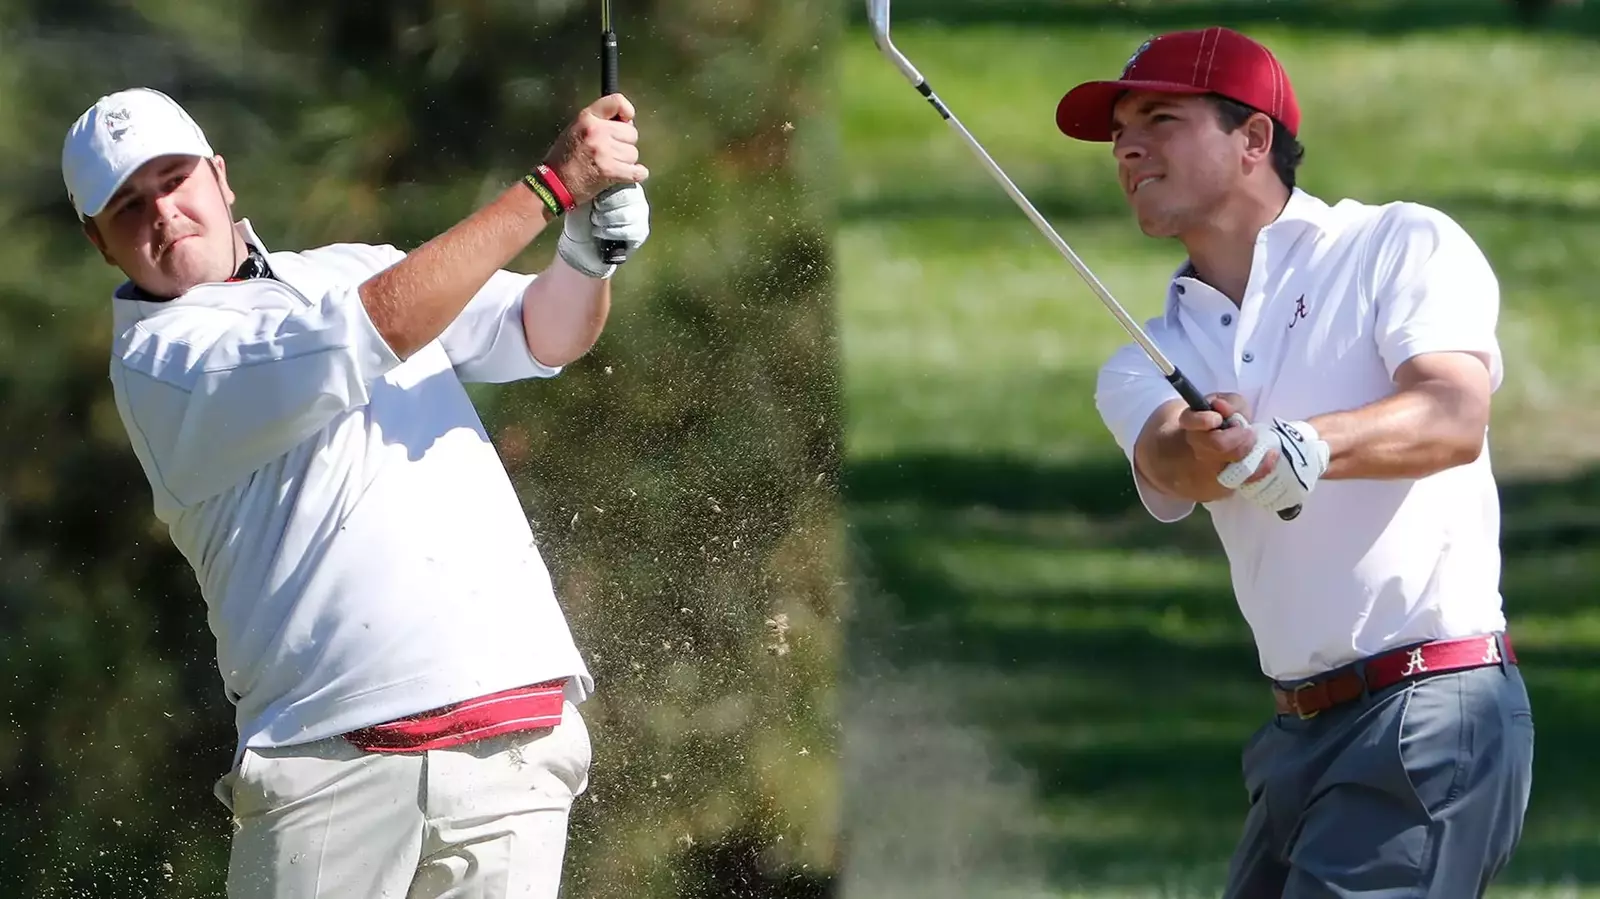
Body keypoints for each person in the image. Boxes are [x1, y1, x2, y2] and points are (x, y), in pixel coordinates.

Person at [62, 84, 651, 898]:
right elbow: (376, 328)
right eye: (127, 205)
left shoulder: (356, 268)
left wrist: (587, 254)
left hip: (510, 738)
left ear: (221, 177)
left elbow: (540, 330)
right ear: (99, 241)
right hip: (331, 762)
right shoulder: (165, 363)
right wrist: (551, 189)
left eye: (173, 179)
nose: (161, 212)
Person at [1055, 27, 1535, 898]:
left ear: (1253, 140)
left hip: (1429, 708)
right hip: (1297, 737)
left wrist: (1306, 444)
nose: (1127, 146)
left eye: (1160, 118)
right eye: (1121, 130)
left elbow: (1453, 415)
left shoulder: (1398, 245)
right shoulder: (1143, 353)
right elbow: (1172, 459)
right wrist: (1214, 452)